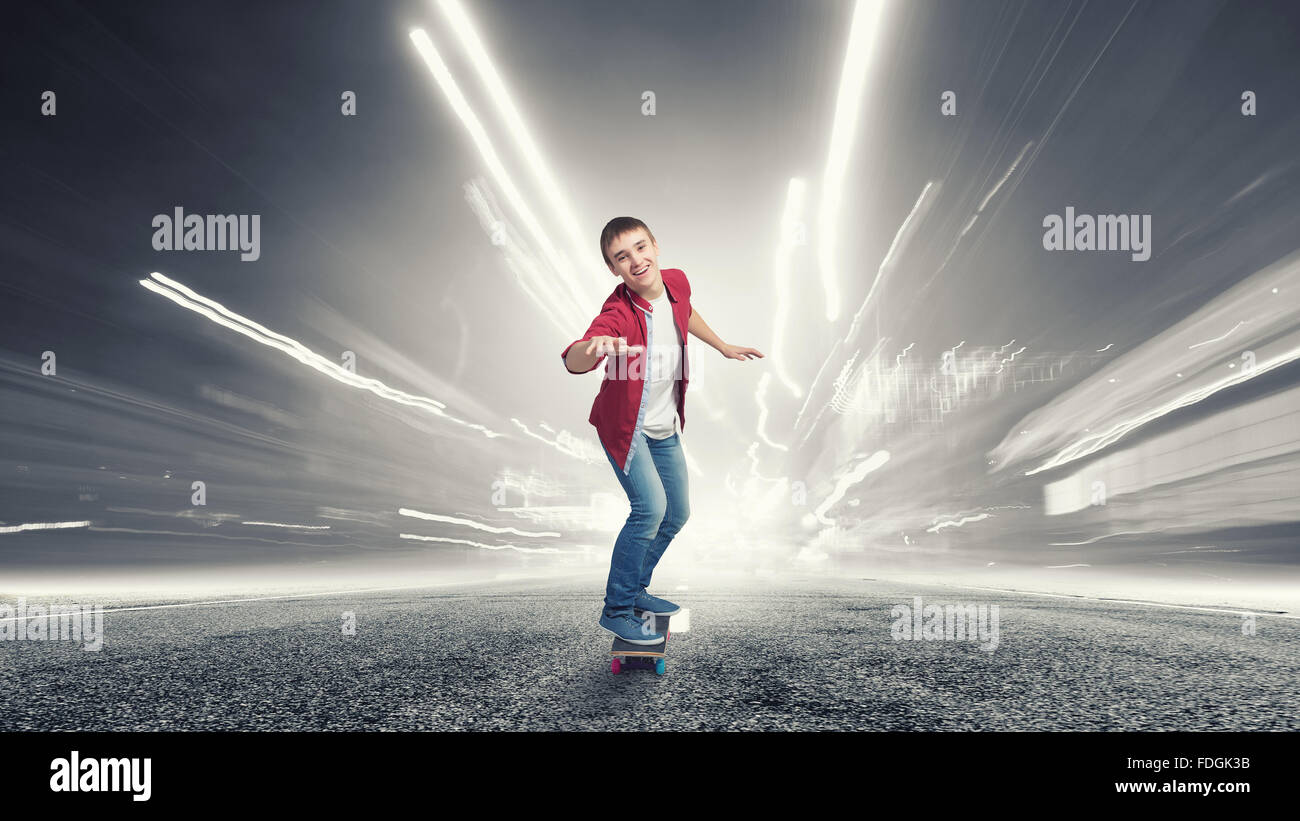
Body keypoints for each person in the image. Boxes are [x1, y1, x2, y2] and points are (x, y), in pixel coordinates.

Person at [561, 216, 763, 645]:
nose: (635, 260)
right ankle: (617, 609)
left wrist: (723, 345)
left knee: (677, 513)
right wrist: (591, 349)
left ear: (655, 245)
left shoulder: (676, 281)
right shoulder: (617, 312)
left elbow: (684, 312)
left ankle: (636, 590)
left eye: (640, 247)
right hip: (626, 428)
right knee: (649, 509)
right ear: (613, 269)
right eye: (622, 257)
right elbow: (576, 357)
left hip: (664, 425)